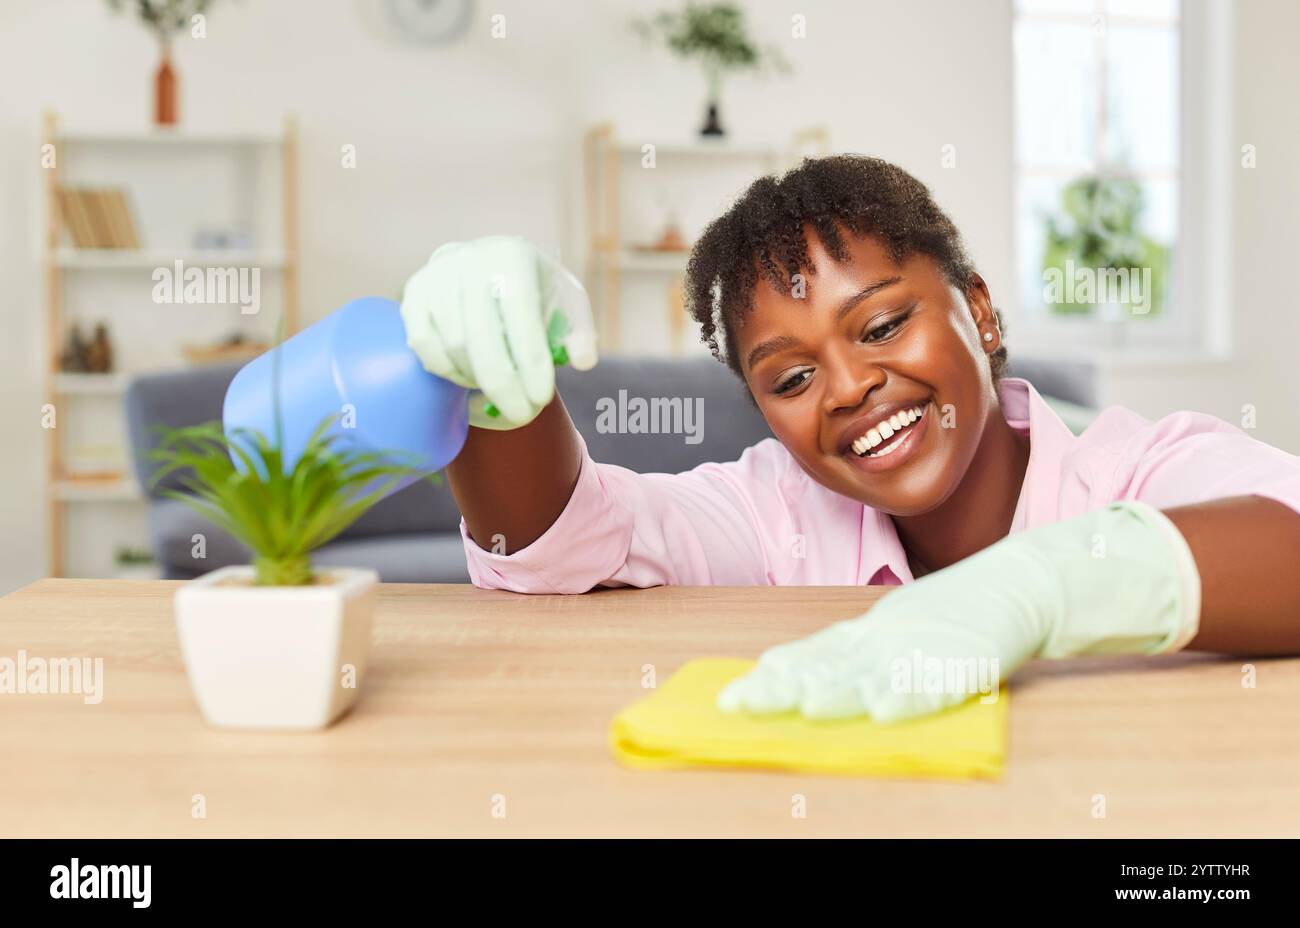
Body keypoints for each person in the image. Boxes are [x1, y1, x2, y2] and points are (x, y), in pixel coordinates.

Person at [399, 155, 1300, 723]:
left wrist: (1047, 585)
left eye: (880, 327)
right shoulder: (771, 511)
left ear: (979, 311)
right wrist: (494, 394)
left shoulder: (1133, 470)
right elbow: (554, 552)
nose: (851, 387)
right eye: (790, 378)